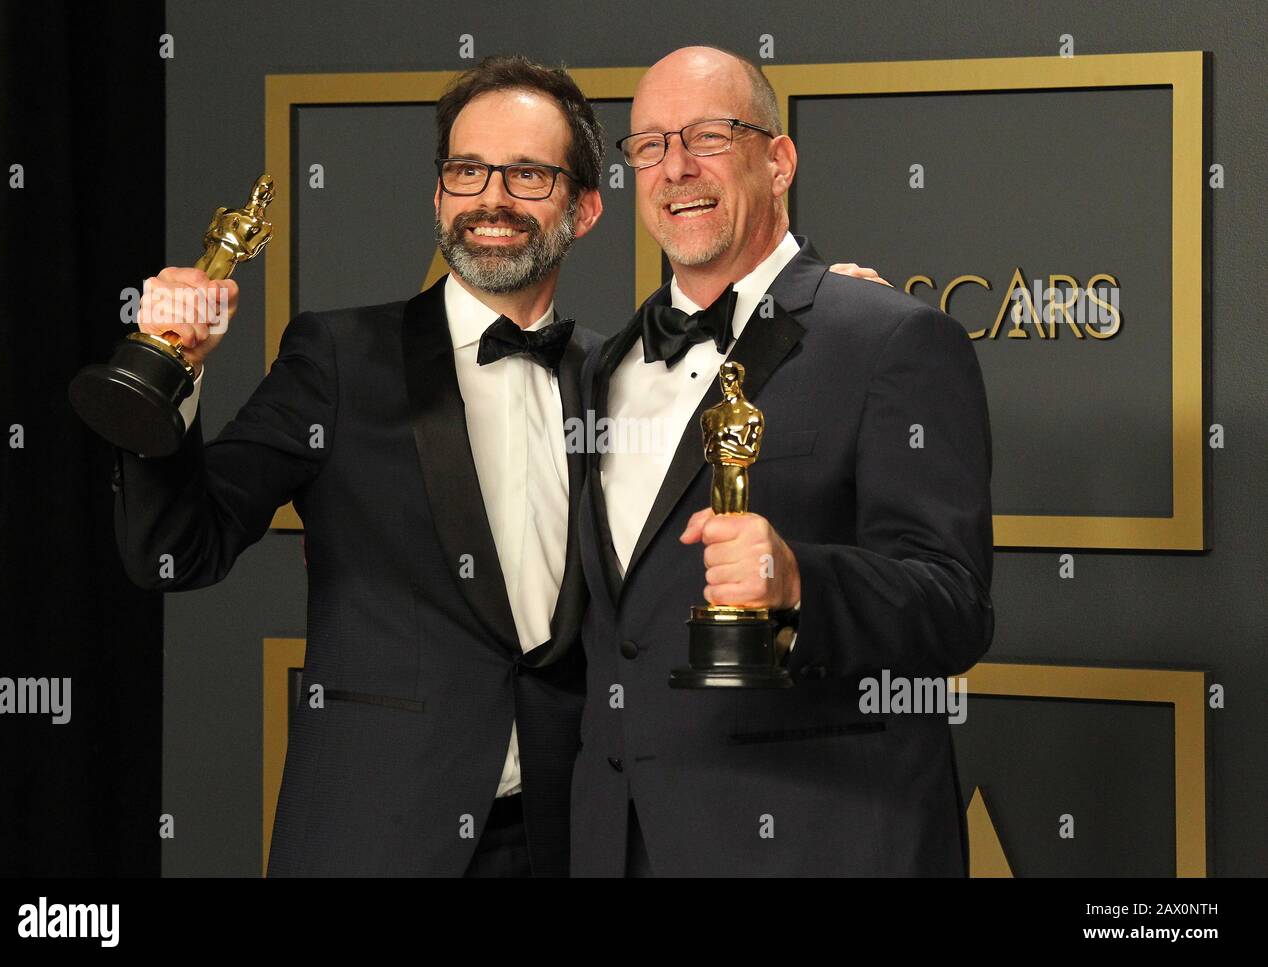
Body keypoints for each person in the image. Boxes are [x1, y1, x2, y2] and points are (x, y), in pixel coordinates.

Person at [115, 56, 605, 876]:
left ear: (583, 207)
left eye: (526, 173)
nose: (491, 198)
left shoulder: (615, 376)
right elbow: (178, 542)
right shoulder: (339, 357)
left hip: (565, 839)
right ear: (438, 195)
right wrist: (170, 376)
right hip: (375, 832)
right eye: (467, 170)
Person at [572, 46, 995, 876]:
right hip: (619, 843)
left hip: (817, 841)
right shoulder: (601, 368)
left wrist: (800, 578)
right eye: (649, 145)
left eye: (707, 135)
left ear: (780, 159)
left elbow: (955, 606)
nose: (676, 167)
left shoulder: (891, 339)